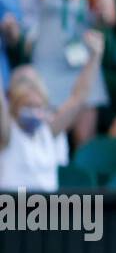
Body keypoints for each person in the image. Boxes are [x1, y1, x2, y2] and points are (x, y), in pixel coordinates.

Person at [30, 0, 116, 149]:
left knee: (84, 142)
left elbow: (110, 19)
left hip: (83, 66)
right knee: (44, 139)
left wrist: (99, 13)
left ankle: (82, 185)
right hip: (47, 65)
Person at [0, 32, 104, 192]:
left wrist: (95, 56)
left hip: (47, 213)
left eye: (34, 82)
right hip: (11, 212)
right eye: (22, 81)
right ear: (10, 96)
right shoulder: (6, 133)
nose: (30, 86)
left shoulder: (48, 130)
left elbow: (79, 96)